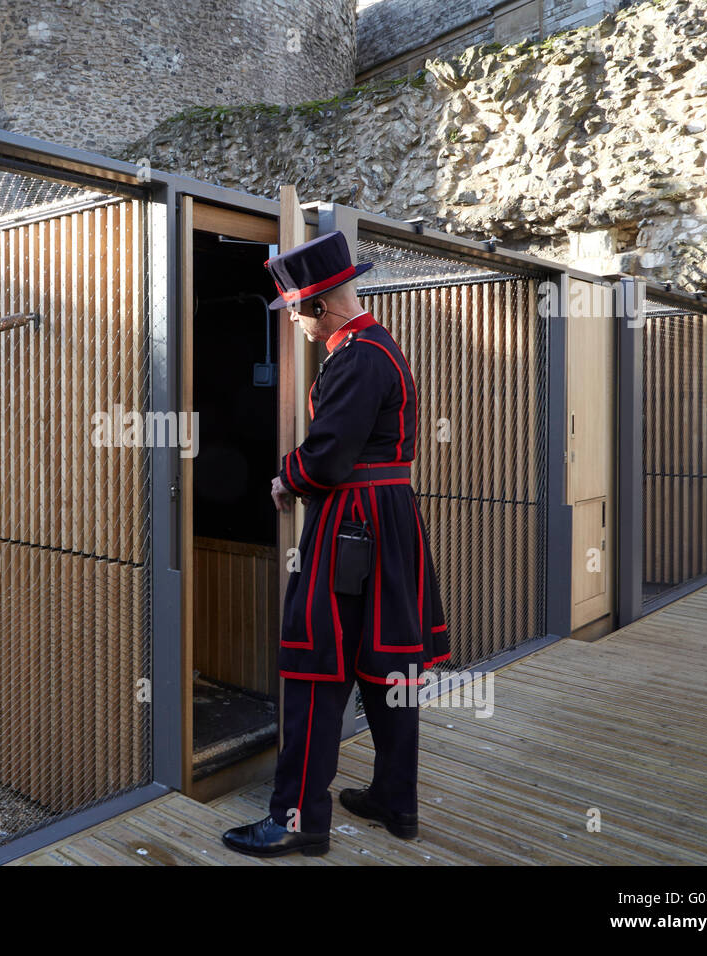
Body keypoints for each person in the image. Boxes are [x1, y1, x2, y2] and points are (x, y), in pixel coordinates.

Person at [222, 230, 450, 858]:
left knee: (315, 666)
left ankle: (297, 821)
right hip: (388, 521)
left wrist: (284, 477)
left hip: (353, 520)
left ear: (320, 307)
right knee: (388, 668)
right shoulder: (379, 346)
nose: (292, 324)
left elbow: (327, 458)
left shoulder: (355, 357)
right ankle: (394, 802)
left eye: (295, 311)